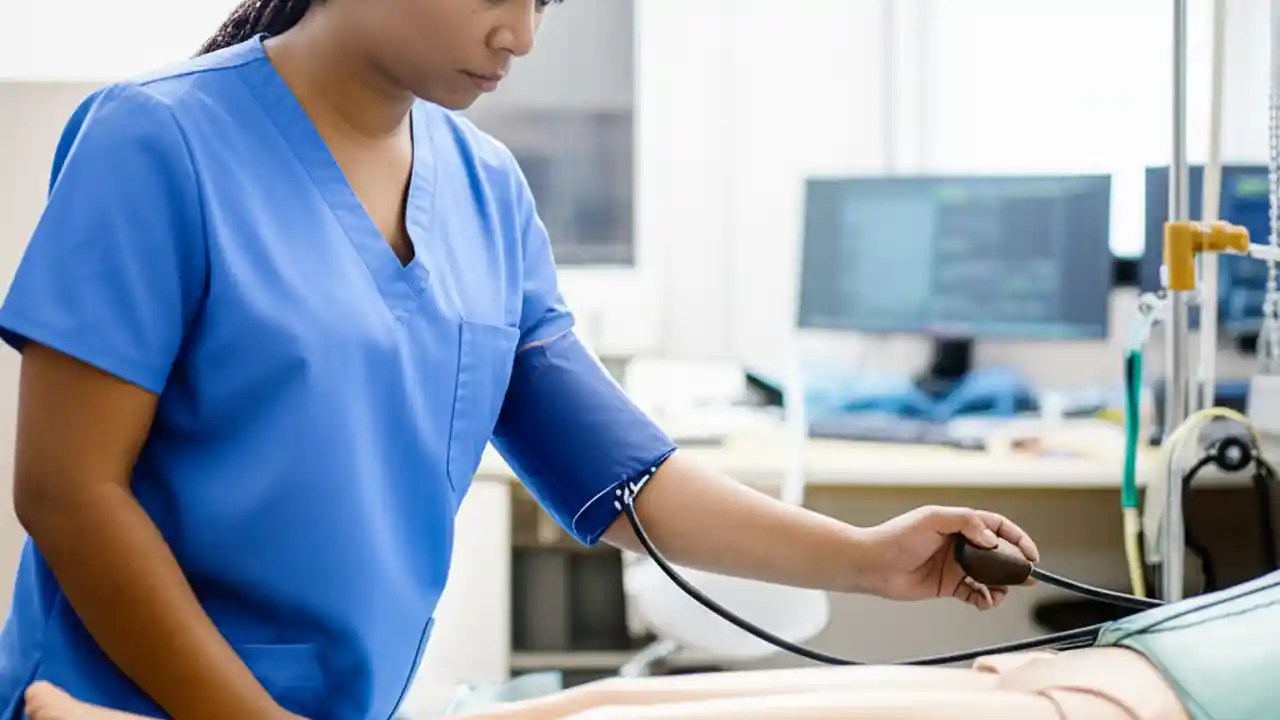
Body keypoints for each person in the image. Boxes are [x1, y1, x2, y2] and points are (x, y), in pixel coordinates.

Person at [0, 1, 1040, 718]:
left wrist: (865, 558)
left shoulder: (483, 187)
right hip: (114, 700)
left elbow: (625, 481)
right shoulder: (156, 142)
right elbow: (65, 492)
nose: (523, 36)